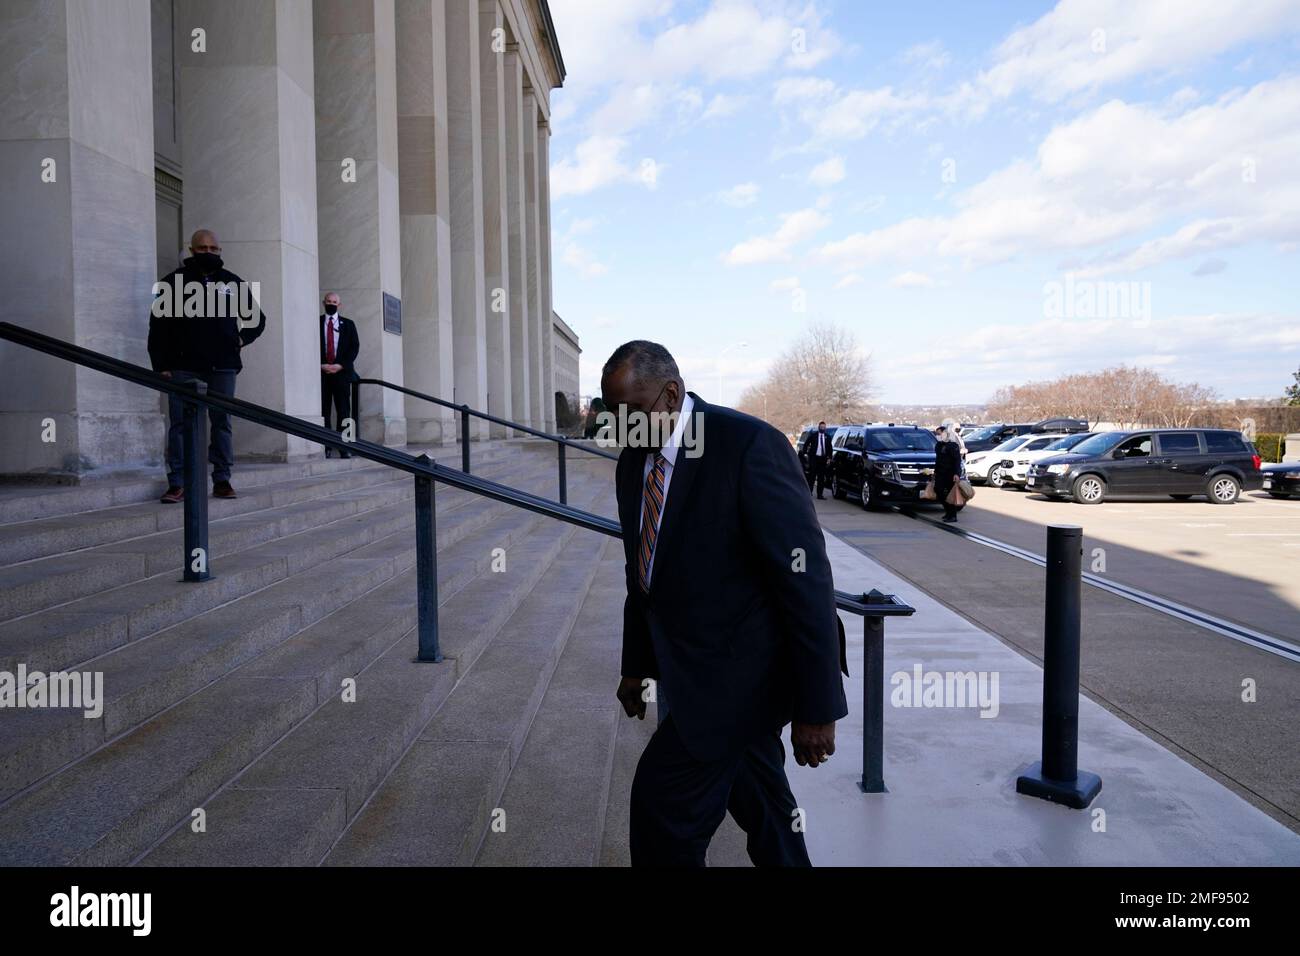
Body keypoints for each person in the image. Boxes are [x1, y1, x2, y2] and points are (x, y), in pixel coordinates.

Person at [601, 340, 847, 867]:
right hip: (693, 669)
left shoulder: (747, 445)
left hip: (742, 677)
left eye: (630, 414)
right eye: (612, 416)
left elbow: (805, 579)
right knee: (765, 808)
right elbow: (642, 574)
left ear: (670, 395)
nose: (620, 429)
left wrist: (817, 705)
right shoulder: (632, 464)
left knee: (661, 810)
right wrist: (635, 666)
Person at [148, 229, 266, 502]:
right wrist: (161, 364)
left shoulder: (232, 282)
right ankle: (177, 482)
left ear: (220, 251)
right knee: (179, 426)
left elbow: (257, 320)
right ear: (191, 250)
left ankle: (222, 480)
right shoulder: (172, 283)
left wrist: (240, 338)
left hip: (222, 366)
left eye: (214, 249)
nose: (209, 253)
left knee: (222, 423)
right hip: (182, 366)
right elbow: (157, 328)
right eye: (203, 249)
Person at [319, 293, 360, 458]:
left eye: (334, 302)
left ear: (339, 305)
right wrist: (320, 365)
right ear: (323, 303)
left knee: (344, 410)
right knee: (324, 411)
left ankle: (345, 446)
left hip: (342, 373)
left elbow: (354, 347)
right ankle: (326, 446)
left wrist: (340, 365)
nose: (331, 304)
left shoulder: (348, 325)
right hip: (321, 374)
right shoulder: (315, 322)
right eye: (328, 302)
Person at [934, 420, 965, 523]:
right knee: (938, 491)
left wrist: (957, 473)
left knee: (950, 494)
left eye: (940, 434)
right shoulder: (938, 446)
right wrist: (935, 472)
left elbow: (957, 461)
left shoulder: (953, 446)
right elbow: (938, 460)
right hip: (940, 473)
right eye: (937, 434)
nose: (938, 436)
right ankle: (947, 511)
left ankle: (952, 514)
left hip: (950, 474)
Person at [806, 420, 832, 499]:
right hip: (814, 458)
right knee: (812, 476)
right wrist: (806, 453)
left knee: (821, 478)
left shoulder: (827, 437)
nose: (822, 428)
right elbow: (806, 443)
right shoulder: (813, 436)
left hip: (823, 459)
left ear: (825, 428)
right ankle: (809, 493)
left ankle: (820, 494)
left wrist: (829, 458)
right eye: (821, 427)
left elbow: (830, 448)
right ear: (819, 427)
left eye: (824, 427)